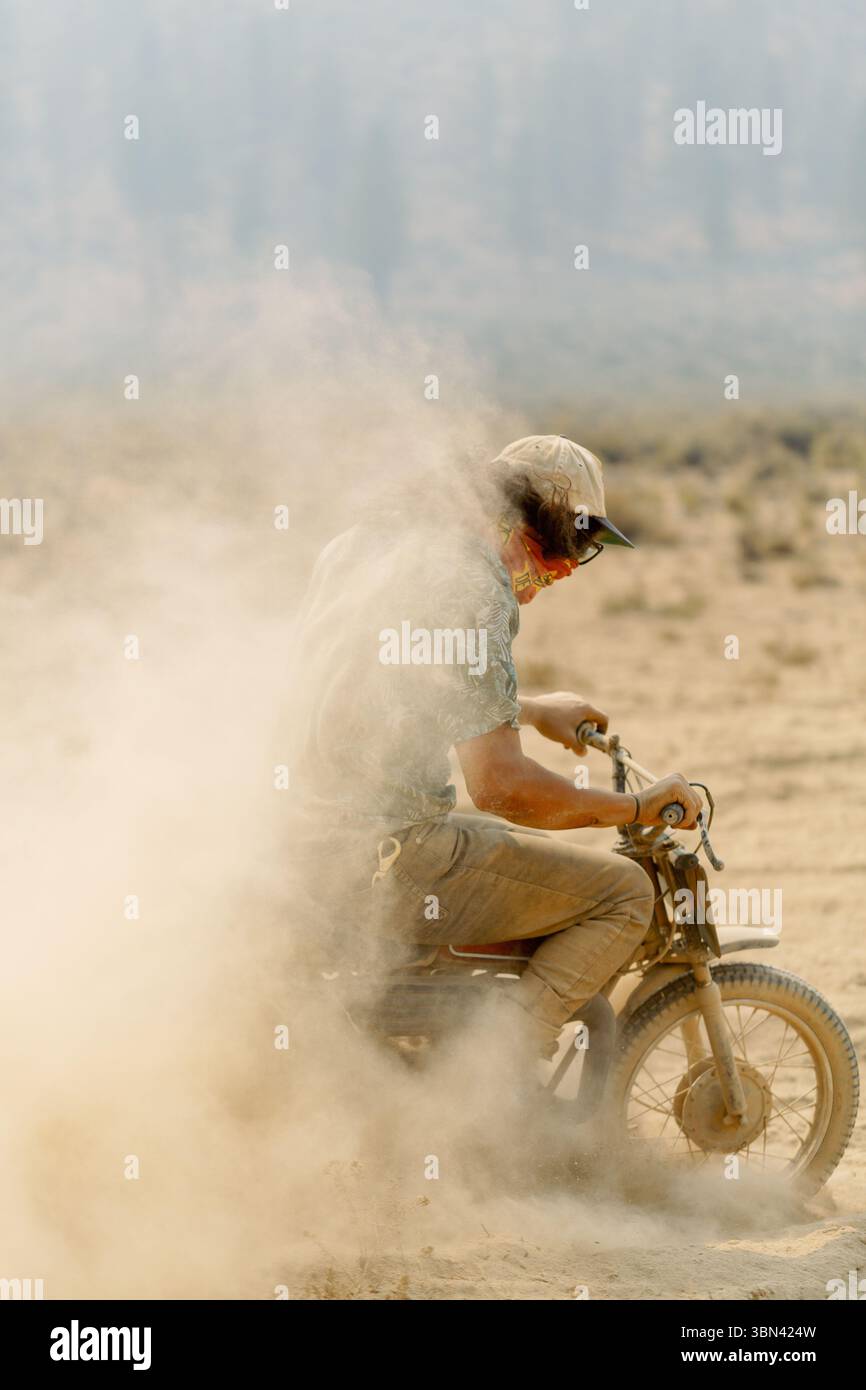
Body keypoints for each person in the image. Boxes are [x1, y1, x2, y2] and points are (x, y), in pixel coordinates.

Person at [290, 435, 702, 1058]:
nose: (561, 570)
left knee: (505, 854)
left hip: (303, 836)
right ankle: (496, 1086)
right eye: (565, 546)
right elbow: (502, 789)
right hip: (383, 854)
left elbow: (386, 685)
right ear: (520, 521)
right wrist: (640, 808)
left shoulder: (364, 548)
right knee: (623, 894)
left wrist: (529, 711)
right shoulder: (470, 581)